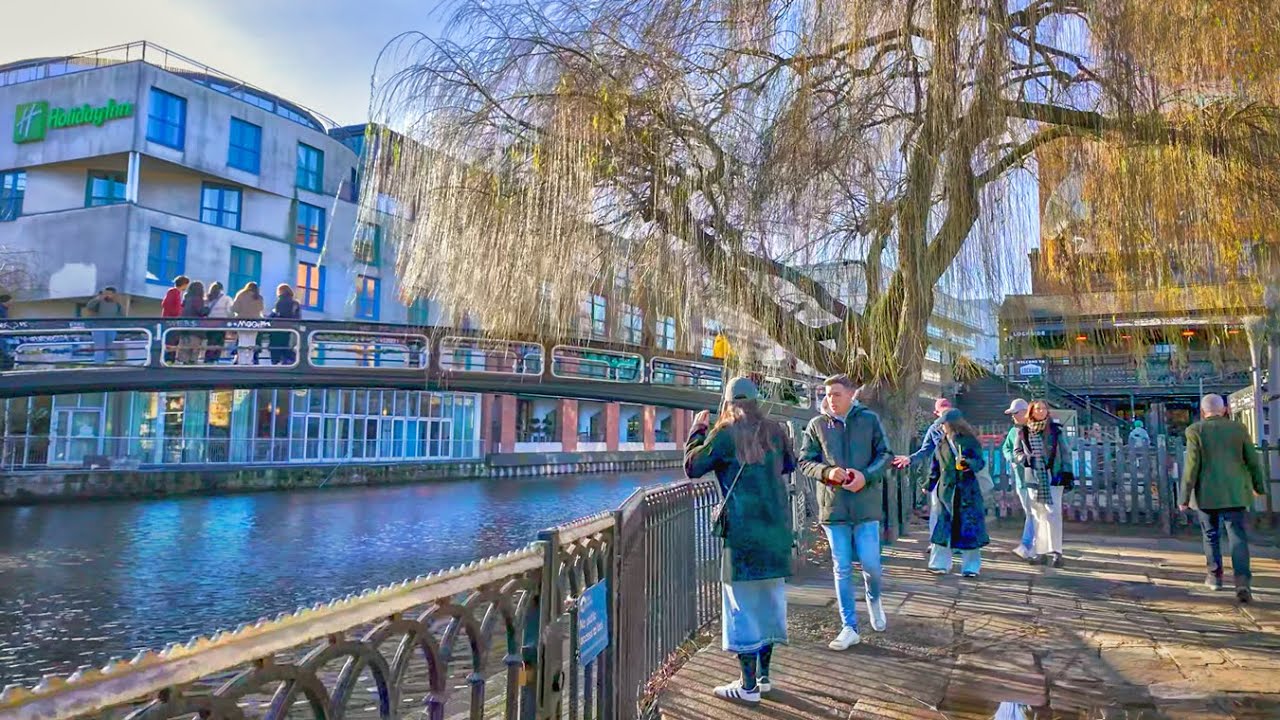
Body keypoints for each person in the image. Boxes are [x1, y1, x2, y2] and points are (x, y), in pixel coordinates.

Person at [684, 376, 795, 704]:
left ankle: (747, 688)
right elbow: (788, 466)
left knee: (741, 607)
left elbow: (692, 467)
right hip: (776, 533)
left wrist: (697, 430)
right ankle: (763, 678)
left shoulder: (725, 433)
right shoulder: (776, 431)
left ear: (729, 402)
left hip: (742, 537)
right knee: (767, 603)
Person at [800, 374, 892, 651]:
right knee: (841, 568)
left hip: (865, 507)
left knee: (871, 564)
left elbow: (885, 455)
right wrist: (827, 472)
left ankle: (873, 598)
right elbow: (805, 461)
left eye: (836, 393)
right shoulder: (816, 425)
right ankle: (849, 627)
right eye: (827, 394)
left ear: (852, 394)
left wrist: (866, 476)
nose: (830, 399)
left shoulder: (869, 420)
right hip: (833, 507)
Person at [1180, 394, 1266, 603]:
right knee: (1237, 536)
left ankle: (1214, 577)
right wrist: (1258, 486)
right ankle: (1242, 582)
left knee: (1210, 534)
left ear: (1202, 412)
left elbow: (1192, 466)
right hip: (1235, 492)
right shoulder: (1238, 429)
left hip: (1206, 494)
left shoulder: (1194, 431)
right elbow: (1252, 460)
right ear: (1225, 410)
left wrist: (1184, 496)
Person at [927, 408, 989, 577]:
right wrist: (929, 484)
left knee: (969, 529)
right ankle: (939, 563)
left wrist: (968, 462)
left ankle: (971, 567)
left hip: (966, 491)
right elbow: (935, 467)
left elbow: (980, 462)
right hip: (946, 492)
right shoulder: (942, 444)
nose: (942, 428)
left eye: (944, 424)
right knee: (942, 528)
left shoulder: (970, 441)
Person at [1014, 400, 1071, 568]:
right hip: (1034, 476)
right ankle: (1040, 551)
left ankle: (1056, 551)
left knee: (1053, 514)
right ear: (1031, 411)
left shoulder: (1055, 430)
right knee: (1038, 515)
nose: (1041, 411)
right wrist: (1025, 459)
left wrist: (1067, 473)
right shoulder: (1023, 431)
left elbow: (1065, 452)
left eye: (1044, 408)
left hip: (1053, 474)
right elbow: (1016, 452)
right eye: (1038, 408)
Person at [891, 398, 952, 542]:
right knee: (937, 509)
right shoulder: (934, 429)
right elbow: (925, 450)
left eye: (947, 409)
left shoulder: (962, 427)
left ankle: (955, 542)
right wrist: (910, 459)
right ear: (936, 413)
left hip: (959, 476)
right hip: (940, 475)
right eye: (942, 410)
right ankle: (936, 541)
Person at [1001, 398, 1037, 560]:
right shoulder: (1013, 431)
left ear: (1024, 412)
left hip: (1034, 478)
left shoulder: (1033, 428)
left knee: (1033, 513)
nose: (1013, 417)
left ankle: (1028, 544)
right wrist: (1013, 458)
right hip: (1020, 479)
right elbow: (1006, 448)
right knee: (1030, 512)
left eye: (1015, 413)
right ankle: (1029, 545)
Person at [85, 286, 125, 364]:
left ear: (114, 294)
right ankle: (98, 365)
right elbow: (89, 306)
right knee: (100, 348)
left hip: (111, 329)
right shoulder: (99, 302)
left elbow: (121, 316)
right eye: (106, 293)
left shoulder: (117, 304)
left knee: (107, 347)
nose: (107, 295)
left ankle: (104, 364)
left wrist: (119, 326)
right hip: (98, 328)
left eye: (110, 293)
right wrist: (98, 298)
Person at [230, 282, 265, 365]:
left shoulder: (241, 295)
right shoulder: (259, 297)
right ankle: (249, 360)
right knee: (252, 341)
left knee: (242, 340)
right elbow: (261, 309)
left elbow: (235, 308)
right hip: (255, 322)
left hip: (242, 321)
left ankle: (241, 360)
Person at [268, 284, 301, 365]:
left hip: (279, 327)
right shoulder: (295, 303)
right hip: (291, 328)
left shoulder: (280, 302)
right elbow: (297, 316)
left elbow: (278, 314)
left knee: (276, 346)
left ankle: (276, 362)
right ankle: (290, 360)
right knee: (287, 346)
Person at [176, 280, 208, 364]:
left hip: (185, 325)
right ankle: (192, 361)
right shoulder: (198, 299)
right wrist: (207, 309)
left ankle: (183, 361)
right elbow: (201, 311)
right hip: (195, 326)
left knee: (184, 345)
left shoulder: (187, 298)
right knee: (194, 346)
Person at [161, 275, 190, 363]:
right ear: (184, 284)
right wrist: (179, 313)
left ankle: (170, 359)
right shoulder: (175, 292)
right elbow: (173, 308)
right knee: (171, 341)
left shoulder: (173, 292)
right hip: (172, 321)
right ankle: (169, 359)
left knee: (171, 341)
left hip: (169, 320)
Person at [203, 282, 232, 363]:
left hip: (209, 322)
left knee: (210, 341)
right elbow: (230, 311)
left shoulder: (208, 298)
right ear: (222, 289)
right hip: (221, 322)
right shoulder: (226, 298)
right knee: (219, 341)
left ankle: (208, 358)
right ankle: (215, 358)